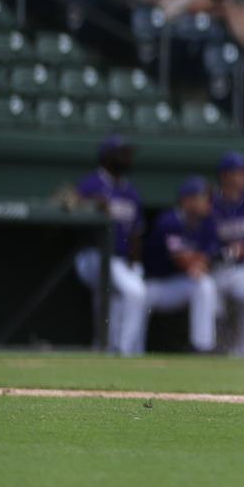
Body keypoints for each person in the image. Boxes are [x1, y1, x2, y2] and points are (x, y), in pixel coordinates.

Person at [60, 134, 149, 354]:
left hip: (120, 261)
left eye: (129, 153)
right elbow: (64, 203)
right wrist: (89, 203)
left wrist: (136, 265)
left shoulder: (131, 192)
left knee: (113, 299)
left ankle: (105, 348)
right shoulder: (92, 183)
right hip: (92, 256)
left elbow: (136, 233)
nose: (127, 158)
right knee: (135, 292)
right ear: (107, 156)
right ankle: (125, 352)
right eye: (122, 153)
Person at [141, 177, 223, 355]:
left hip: (179, 284)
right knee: (134, 297)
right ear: (187, 200)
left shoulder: (208, 221)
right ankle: (129, 351)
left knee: (204, 285)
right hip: (151, 285)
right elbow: (181, 260)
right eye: (203, 198)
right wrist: (195, 260)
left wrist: (196, 260)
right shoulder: (169, 220)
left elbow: (207, 258)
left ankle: (202, 347)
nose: (208, 203)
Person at [209, 152, 244, 356]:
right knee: (212, 304)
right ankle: (214, 349)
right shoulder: (211, 202)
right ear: (225, 175)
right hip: (216, 267)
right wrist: (226, 251)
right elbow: (204, 242)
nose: (242, 178)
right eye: (237, 173)